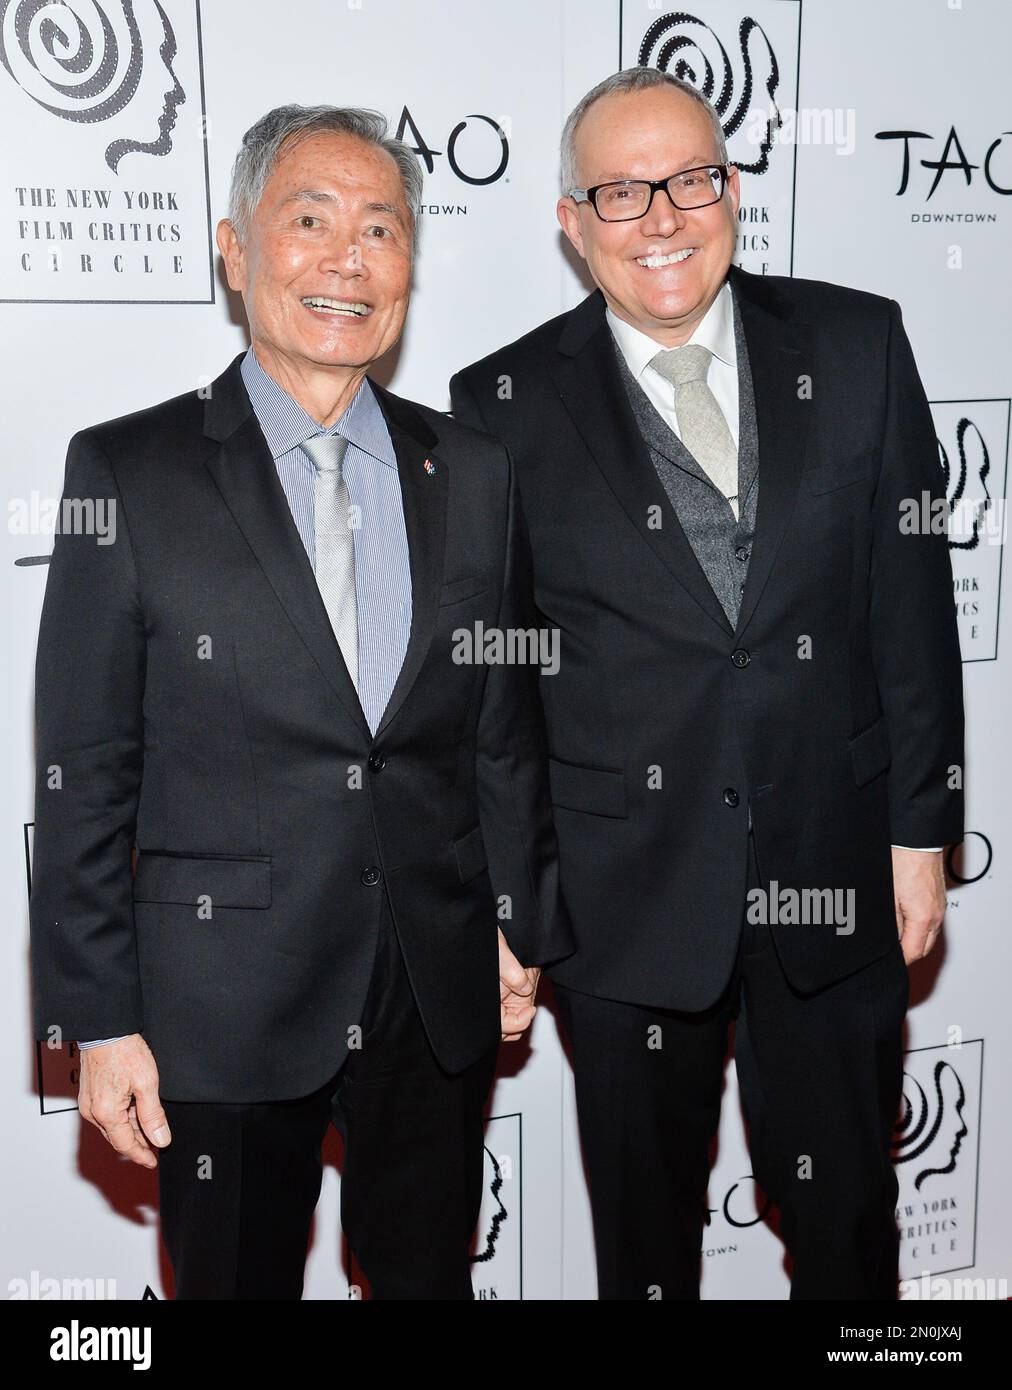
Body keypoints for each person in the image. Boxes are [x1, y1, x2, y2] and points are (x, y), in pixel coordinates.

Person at [30, 104, 571, 1300]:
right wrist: (97, 1021)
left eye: (379, 229)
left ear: (409, 267)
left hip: (431, 984)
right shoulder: (127, 469)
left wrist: (513, 919)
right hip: (219, 995)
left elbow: (501, 730)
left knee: (428, 1278)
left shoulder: (471, 472)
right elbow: (82, 769)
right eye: (309, 220)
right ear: (234, 249)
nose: (347, 259)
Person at [450, 68, 964, 1300]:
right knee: (645, 1244)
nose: (662, 218)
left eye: (689, 180)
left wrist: (919, 832)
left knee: (849, 1226)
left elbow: (911, 603)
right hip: (622, 905)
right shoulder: (500, 406)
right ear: (572, 224)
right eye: (620, 193)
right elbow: (499, 695)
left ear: (731, 192)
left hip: (835, 872)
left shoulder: (856, 343)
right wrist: (515, 902)